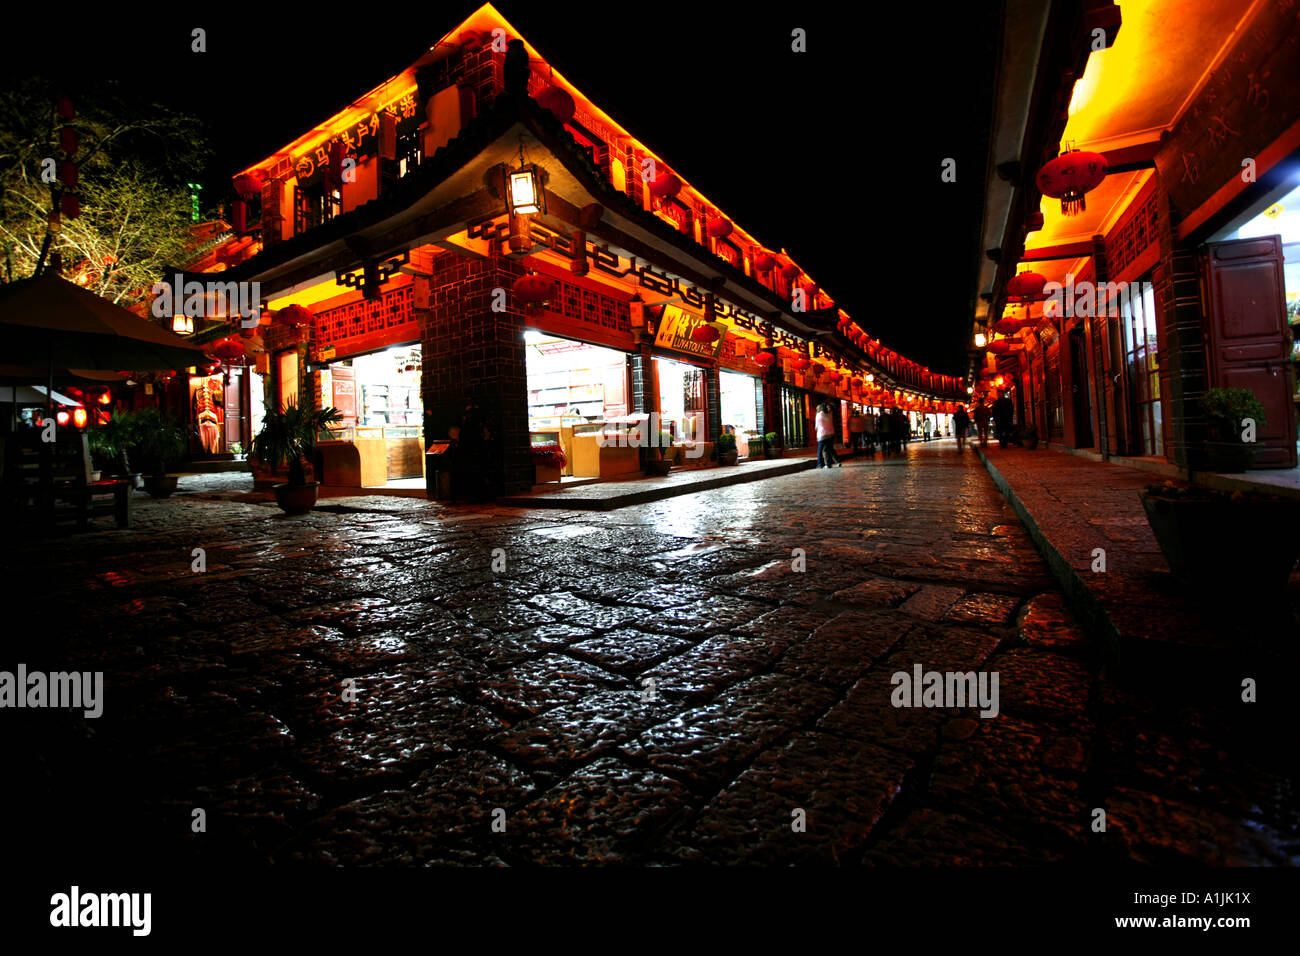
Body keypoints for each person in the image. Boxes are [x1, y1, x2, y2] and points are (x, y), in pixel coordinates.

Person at [814, 402, 840, 468]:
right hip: (831, 434)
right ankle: (831, 463)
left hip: (822, 435)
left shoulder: (818, 415)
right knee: (828, 449)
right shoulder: (830, 414)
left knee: (820, 450)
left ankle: (820, 464)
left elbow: (816, 427)